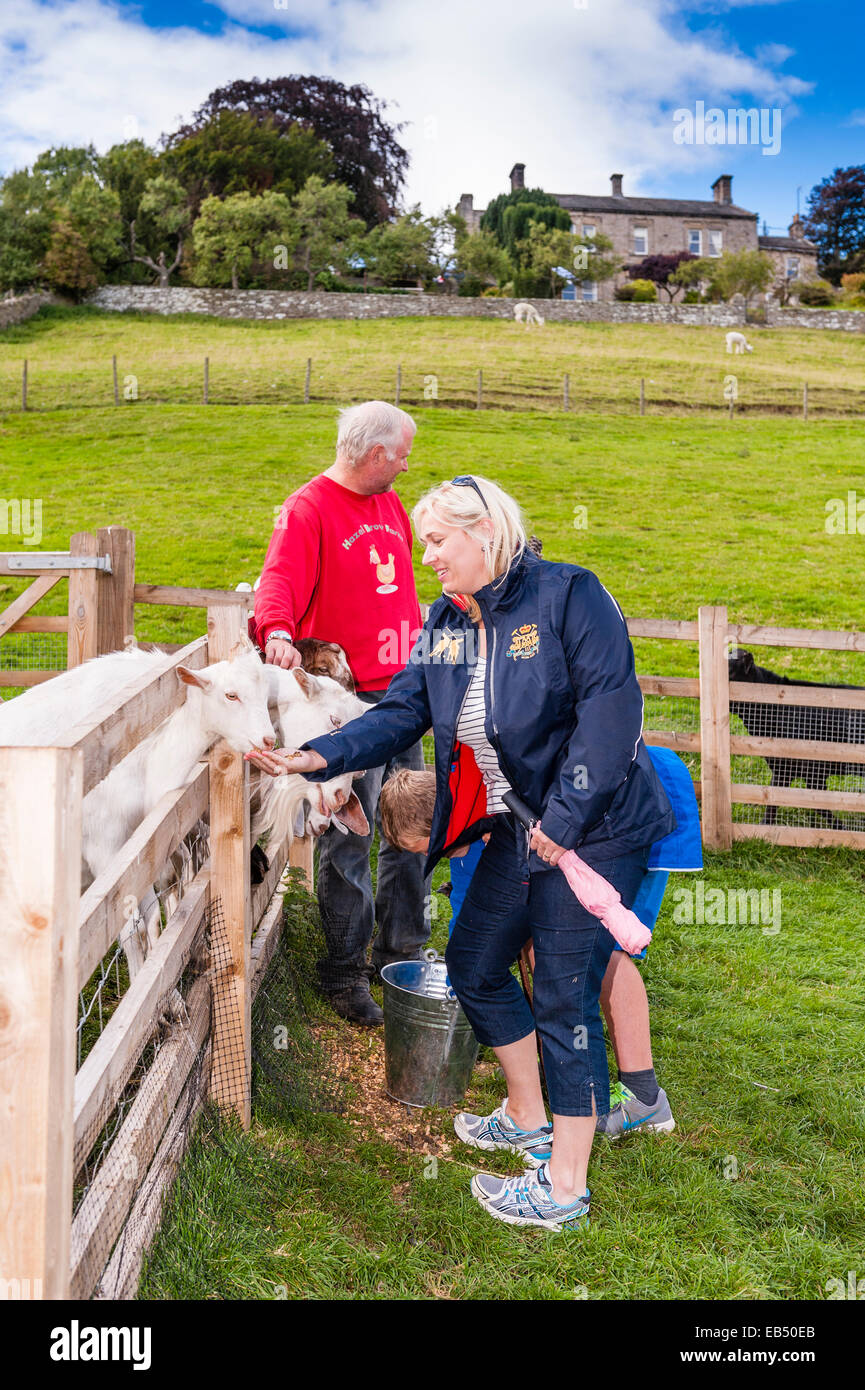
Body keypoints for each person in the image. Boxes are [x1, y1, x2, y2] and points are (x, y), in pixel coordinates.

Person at [248, 475, 676, 1232]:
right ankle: (526, 1113)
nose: (428, 557)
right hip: (518, 826)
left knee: (564, 997)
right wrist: (319, 757)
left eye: (437, 542)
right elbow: (404, 709)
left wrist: (569, 816)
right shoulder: (446, 620)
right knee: (476, 963)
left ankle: (563, 1189)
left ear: (483, 531)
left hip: (597, 827)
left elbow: (612, 711)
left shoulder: (569, 596)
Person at [379, 747, 702, 1139]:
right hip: (588, 816)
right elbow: (482, 936)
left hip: (642, 804)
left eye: (428, 848)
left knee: (605, 946)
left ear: (444, 821)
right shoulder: (469, 827)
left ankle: (644, 1095)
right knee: (545, 936)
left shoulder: (490, 811)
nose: (434, 858)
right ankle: (563, 1078)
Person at [250, 400, 431, 1026]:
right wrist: (277, 629)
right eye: (403, 454)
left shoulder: (389, 504)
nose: (407, 466)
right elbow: (278, 581)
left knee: (411, 827)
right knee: (349, 832)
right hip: (348, 706)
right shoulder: (308, 510)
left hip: (405, 696)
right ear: (376, 454)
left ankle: (402, 953)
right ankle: (343, 971)